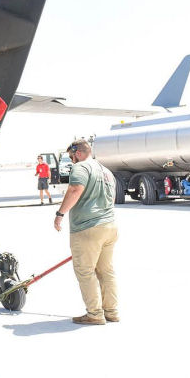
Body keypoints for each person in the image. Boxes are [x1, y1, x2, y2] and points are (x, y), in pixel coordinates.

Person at [52, 139, 119, 325]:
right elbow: (112, 198)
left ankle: (95, 314)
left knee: (85, 271)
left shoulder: (81, 167)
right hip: (109, 226)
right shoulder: (106, 171)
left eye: (71, 156)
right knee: (106, 271)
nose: (71, 160)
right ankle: (111, 311)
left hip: (87, 228)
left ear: (78, 153)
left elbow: (75, 190)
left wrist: (60, 214)